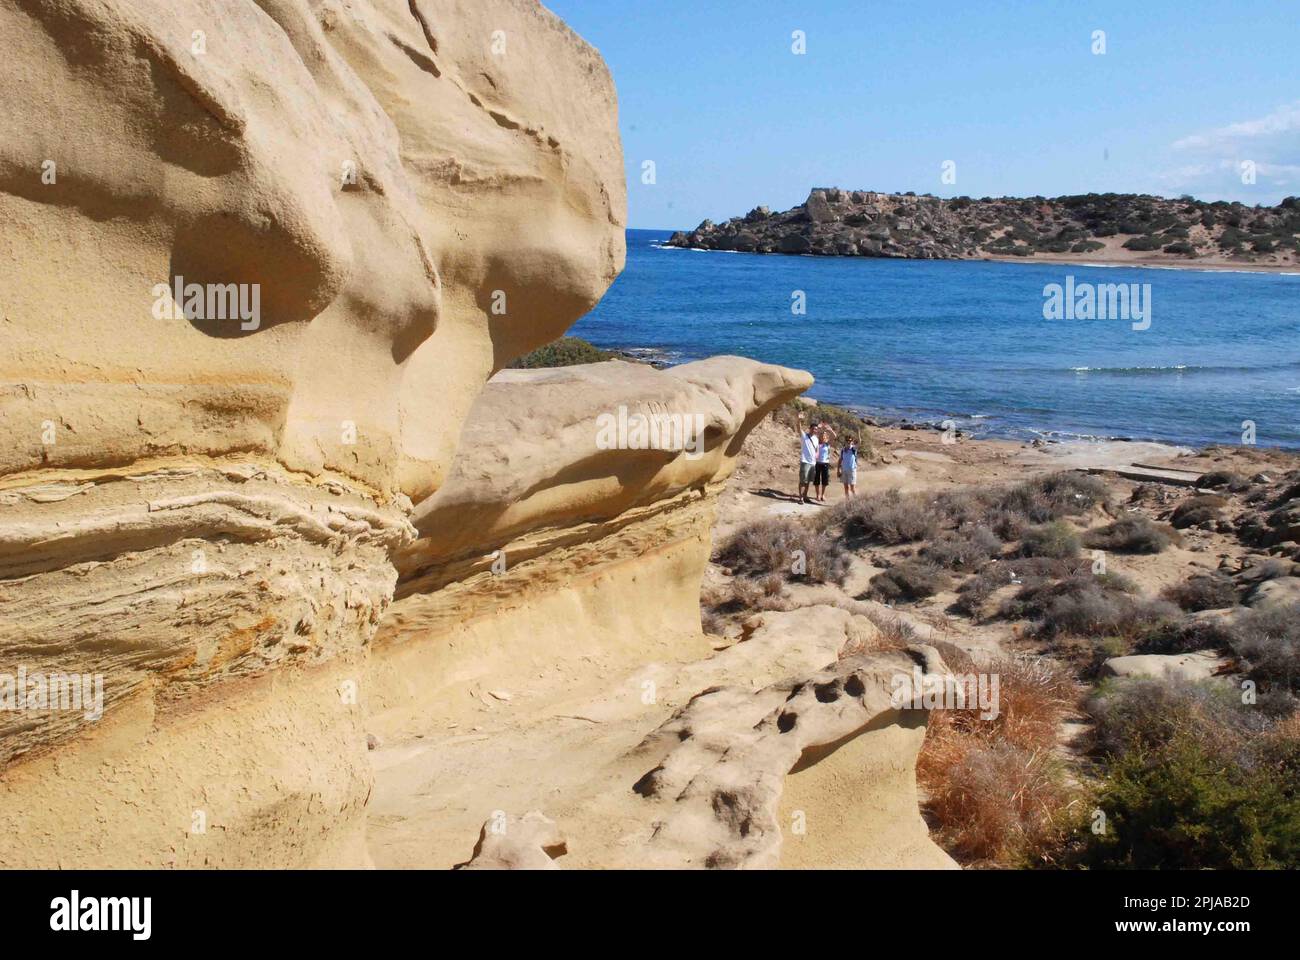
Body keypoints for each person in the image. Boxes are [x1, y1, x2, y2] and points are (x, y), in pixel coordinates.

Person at [795, 412, 818, 504]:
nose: (814, 430)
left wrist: (816, 458)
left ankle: (805, 496)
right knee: (802, 480)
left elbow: (816, 450)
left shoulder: (816, 439)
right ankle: (800, 498)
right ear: (810, 429)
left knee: (808, 481)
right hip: (805, 461)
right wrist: (799, 420)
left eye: (816, 429)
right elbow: (798, 428)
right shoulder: (805, 436)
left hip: (813, 463)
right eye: (813, 429)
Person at [814, 423, 837, 502]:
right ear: (819, 437)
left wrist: (830, 430)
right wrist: (819, 429)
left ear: (826, 438)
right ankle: (817, 495)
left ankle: (822, 495)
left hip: (825, 464)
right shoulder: (817, 443)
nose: (822, 437)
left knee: (825, 480)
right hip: (817, 464)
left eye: (824, 436)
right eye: (821, 436)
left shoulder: (827, 444)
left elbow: (834, 436)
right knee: (816, 480)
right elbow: (814, 435)